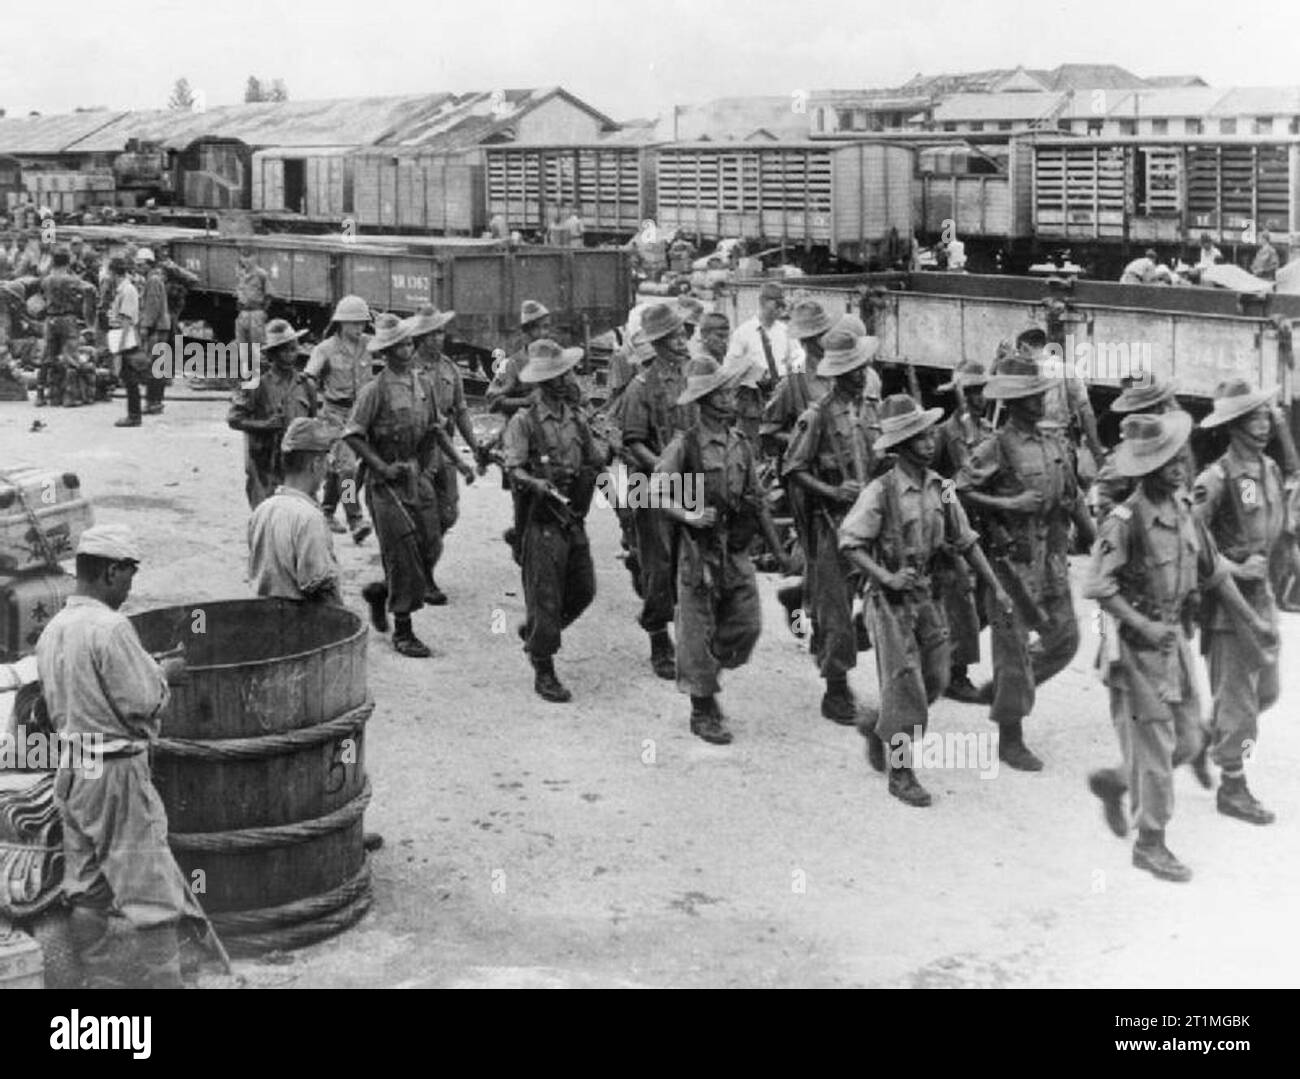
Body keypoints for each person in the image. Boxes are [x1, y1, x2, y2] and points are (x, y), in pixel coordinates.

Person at [1085, 412, 1276, 880]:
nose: (1178, 466)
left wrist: (1253, 620)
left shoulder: (1185, 511)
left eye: (1178, 457)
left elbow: (1214, 574)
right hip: (1136, 649)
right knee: (1155, 749)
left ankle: (1116, 782)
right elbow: (1098, 586)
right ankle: (1150, 842)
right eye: (1165, 460)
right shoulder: (1124, 521)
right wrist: (1141, 625)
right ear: (1145, 468)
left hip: (1176, 646)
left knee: (1191, 739)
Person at [35, 524, 190, 988]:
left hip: (74, 768)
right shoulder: (111, 626)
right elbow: (142, 701)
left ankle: (98, 978)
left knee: (87, 883)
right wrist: (165, 674)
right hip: (114, 771)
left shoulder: (54, 628)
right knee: (150, 887)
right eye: (128, 577)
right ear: (110, 572)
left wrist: (143, 663)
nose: (129, 587)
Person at [841, 395, 1012, 805]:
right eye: (919, 437)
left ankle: (877, 725)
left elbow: (966, 541)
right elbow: (850, 542)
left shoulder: (943, 488)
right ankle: (901, 772)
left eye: (930, 433)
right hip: (889, 603)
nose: (930, 441)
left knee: (935, 677)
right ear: (901, 445)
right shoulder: (880, 492)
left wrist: (997, 588)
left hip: (928, 596)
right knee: (906, 689)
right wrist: (885, 575)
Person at [956, 357, 1084, 771]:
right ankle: (1010, 736)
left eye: (1041, 394)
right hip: (1011, 561)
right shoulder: (996, 446)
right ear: (1013, 403)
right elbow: (956, 492)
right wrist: (1008, 503)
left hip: (1050, 558)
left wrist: (1097, 538)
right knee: (1012, 650)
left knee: (1065, 639)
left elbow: (1074, 496)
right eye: (1031, 397)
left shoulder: (1053, 442)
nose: (1041, 401)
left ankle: (1004, 689)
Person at [656, 357, 788, 743]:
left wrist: (779, 554)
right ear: (708, 400)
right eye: (725, 393)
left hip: (734, 548)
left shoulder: (740, 445)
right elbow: (654, 493)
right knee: (696, 627)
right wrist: (689, 514)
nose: (733, 398)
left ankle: (708, 667)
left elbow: (757, 501)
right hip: (698, 550)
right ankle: (702, 707)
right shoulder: (686, 446)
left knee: (747, 624)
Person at [344, 313, 473, 658]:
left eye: (408, 341)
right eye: (399, 344)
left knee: (430, 546)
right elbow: (353, 435)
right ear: (386, 352)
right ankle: (403, 629)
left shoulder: (423, 384)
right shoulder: (375, 390)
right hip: (387, 485)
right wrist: (382, 468)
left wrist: (459, 462)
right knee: (402, 553)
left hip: (419, 476)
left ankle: (381, 592)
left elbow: (436, 429)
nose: (407, 346)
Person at [1193, 379, 1287, 825]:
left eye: (1266, 415)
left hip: (1262, 599)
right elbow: (1189, 537)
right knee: (1239, 700)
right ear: (1233, 426)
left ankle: (1211, 739)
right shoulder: (1216, 478)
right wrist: (1230, 568)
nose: (1264, 423)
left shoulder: (1267, 469)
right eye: (1254, 417)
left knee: (1267, 690)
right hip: (1229, 608)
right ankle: (1233, 787)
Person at [783, 328, 880, 724]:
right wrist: (831, 491)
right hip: (833, 524)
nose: (862, 375)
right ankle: (835, 690)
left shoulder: (872, 409)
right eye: (854, 370)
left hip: (872, 523)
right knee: (836, 610)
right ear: (839, 375)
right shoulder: (817, 415)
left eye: (863, 367)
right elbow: (793, 468)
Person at [503, 339, 601, 702]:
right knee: (545, 596)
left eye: (568, 373)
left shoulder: (576, 418)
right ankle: (543, 666)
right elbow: (513, 468)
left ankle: (537, 634)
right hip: (541, 518)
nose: (568, 380)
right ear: (544, 382)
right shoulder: (524, 422)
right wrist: (535, 482)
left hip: (572, 515)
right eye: (560, 375)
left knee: (584, 590)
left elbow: (594, 457)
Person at [618, 301, 695, 678]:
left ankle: (690, 631)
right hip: (652, 486)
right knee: (660, 565)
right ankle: (658, 637)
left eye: (683, 334)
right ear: (660, 343)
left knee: (690, 558)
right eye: (675, 336)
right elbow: (633, 441)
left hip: (689, 483)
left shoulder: (694, 376)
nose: (683, 341)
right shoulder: (642, 386)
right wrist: (663, 468)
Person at [407, 303, 489, 604]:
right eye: (432, 334)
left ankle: (420, 555)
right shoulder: (410, 370)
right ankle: (424, 576)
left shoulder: (449, 368)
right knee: (427, 521)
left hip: (446, 451)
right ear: (421, 338)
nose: (439, 338)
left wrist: (476, 445)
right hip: (420, 453)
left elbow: (462, 411)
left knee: (449, 513)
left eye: (441, 332)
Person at [931, 361, 994, 703]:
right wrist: (951, 500)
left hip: (983, 526)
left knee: (985, 601)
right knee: (961, 600)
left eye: (982, 390)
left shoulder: (988, 433)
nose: (979, 397)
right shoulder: (944, 433)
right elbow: (931, 480)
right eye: (971, 391)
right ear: (959, 394)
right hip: (954, 526)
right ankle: (956, 672)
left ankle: (945, 652)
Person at [248, 417, 342, 605]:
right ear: (315, 464)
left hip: (265, 616)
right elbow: (319, 586)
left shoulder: (262, 510)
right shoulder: (309, 518)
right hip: (303, 624)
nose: (327, 468)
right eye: (326, 461)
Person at [228, 318, 318, 508]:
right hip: (265, 465)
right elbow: (234, 418)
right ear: (273, 354)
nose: (290, 355)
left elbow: (313, 421)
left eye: (293, 349)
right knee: (266, 515)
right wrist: (264, 425)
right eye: (284, 350)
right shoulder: (256, 384)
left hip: (297, 466)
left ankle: (342, 507)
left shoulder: (306, 385)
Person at [305, 295, 374, 543]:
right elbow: (309, 378)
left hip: (362, 415)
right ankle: (355, 520)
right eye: (354, 323)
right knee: (347, 468)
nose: (360, 328)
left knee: (342, 468)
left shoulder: (370, 344)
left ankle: (326, 511)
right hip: (335, 414)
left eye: (363, 323)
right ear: (341, 323)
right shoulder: (325, 349)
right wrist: (313, 410)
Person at [726, 281, 803, 392]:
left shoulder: (787, 331)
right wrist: (757, 374)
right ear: (762, 302)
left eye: (782, 305)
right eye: (776, 304)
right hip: (753, 391)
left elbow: (798, 360)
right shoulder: (743, 332)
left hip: (782, 388)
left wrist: (795, 383)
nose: (780, 309)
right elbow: (731, 366)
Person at [486, 300, 553, 417]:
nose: (544, 333)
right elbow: (492, 401)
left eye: (546, 327)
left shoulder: (556, 360)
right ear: (526, 331)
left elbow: (578, 396)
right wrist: (526, 401)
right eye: (538, 328)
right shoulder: (510, 364)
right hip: (521, 429)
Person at [37, 248, 86, 408]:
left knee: (46, 357)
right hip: (67, 318)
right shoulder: (73, 280)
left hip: (50, 318)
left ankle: (40, 395)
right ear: (67, 261)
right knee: (70, 357)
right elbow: (87, 291)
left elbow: (42, 296)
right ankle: (69, 396)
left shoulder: (46, 280)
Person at [108, 257, 148, 428]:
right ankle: (133, 414)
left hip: (126, 336)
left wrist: (120, 347)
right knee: (127, 376)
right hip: (122, 334)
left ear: (113, 272)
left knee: (130, 377)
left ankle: (134, 415)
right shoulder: (122, 289)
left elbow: (126, 319)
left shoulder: (127, 290)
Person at [136, 248, 170, 415]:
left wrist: (145, 326)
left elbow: (152, 306)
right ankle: (155, 402)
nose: (138, 268)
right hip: (160, 327)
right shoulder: (153, 279)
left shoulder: (153, 280)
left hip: (156, 329)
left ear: (148, 264)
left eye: (141, 264)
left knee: (154, 366)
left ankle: (153, 402)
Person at [234, 246, 270, 346]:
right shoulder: (240, 274)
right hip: (243, 313)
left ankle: (257, 361)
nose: (246, 260)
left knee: (257, 345)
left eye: (249, 257)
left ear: (255, 258)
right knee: (242, 344)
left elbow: (269, 294)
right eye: (243, 257)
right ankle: (245, 361)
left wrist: (262, 311)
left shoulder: (261, 274)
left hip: (256, 312)